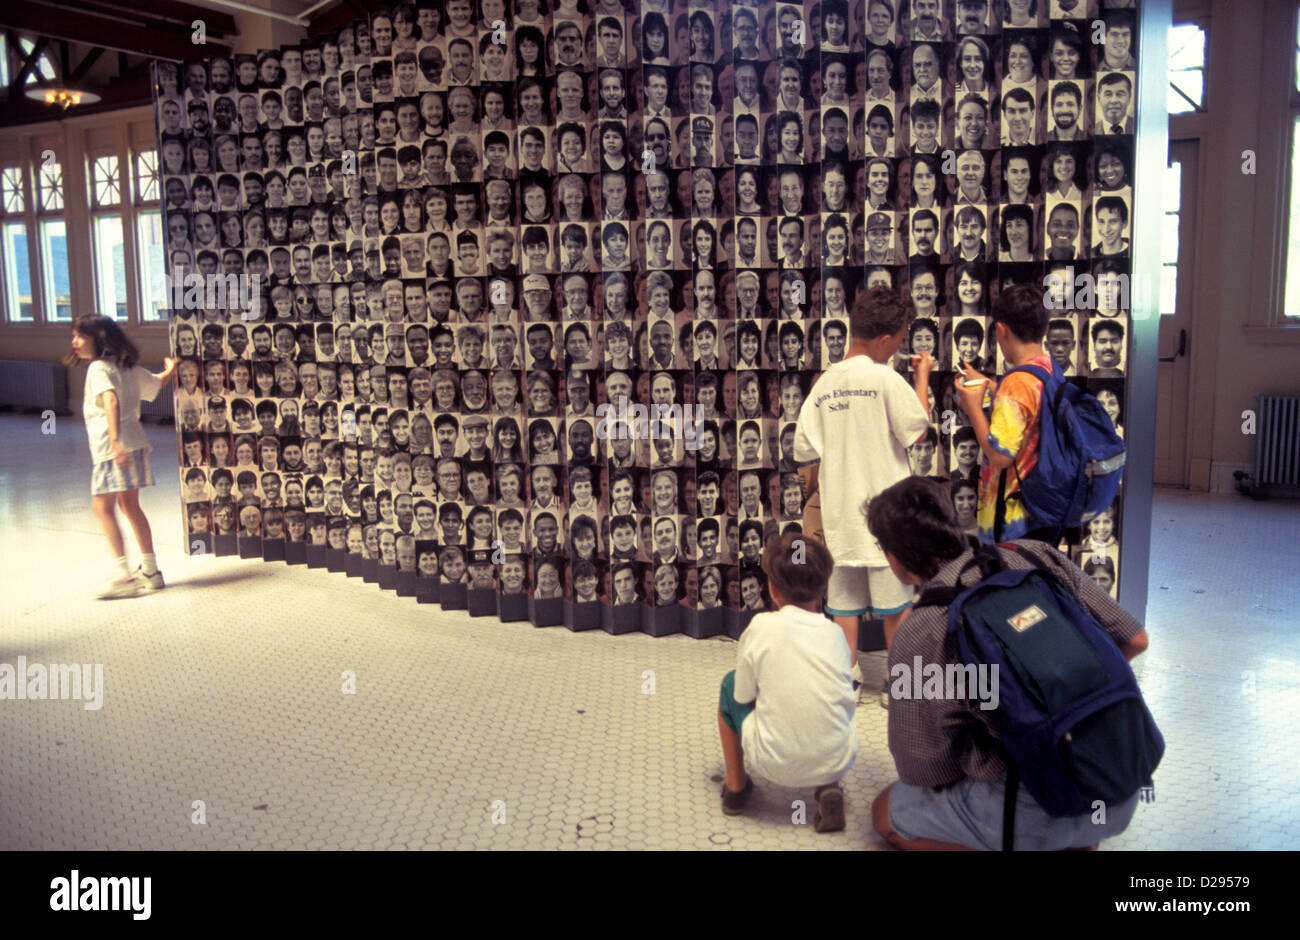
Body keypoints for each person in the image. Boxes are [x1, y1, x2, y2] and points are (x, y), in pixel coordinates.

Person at [864, 476, 1149, 851]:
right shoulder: (1034, 554)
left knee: (886, 812)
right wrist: (1072, 696)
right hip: (1120, 776)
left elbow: (922, 769)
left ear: (894, 560)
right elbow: (1134, 639)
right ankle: (1076, 839)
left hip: (1032, 802)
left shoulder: (920, 630)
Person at [793, 286, 933, 683]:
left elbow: (804, 446)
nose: (900, 347)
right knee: (896, 608)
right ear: (887, 339)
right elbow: (916, 430)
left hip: (841, 517)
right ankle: (900, 680)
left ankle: (846, 677)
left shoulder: (825, 383)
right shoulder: (886, 379)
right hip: (887, 521)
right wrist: (922, 375)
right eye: (902, 339)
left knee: (844, 607)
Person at [716, 532, 858, 831]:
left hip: (772, 762)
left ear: (772, 588)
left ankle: (736, 788)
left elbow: (742, 697)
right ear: (823, 590)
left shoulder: (761, 627)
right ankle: (826, 784)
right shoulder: (835, 635)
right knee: (827, 702)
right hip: (838, 757)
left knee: (729, 686)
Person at [68, 316, 180, 598]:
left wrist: (115, 442)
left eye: (81, 336)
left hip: (112, 448)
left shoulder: (98, 368)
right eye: (74, 336)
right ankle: (151, 572)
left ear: (99, 338)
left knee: (101, 508)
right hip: (138, 444)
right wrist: (171, 368)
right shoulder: (127, 367)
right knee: (130, 507)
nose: (75, 342)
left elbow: (111, 400)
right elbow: (157, 383)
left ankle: (123, 574)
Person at [950, 283, 1059, 544]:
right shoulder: (1047, 368)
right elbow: (1030, 409)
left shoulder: (1017, 382)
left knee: (1010, 582)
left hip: (1013, 519)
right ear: (1044, 330)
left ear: (1001, 330)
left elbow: (1000, 455)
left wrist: (973, 407)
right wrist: (988, 385)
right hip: (1042, 507)